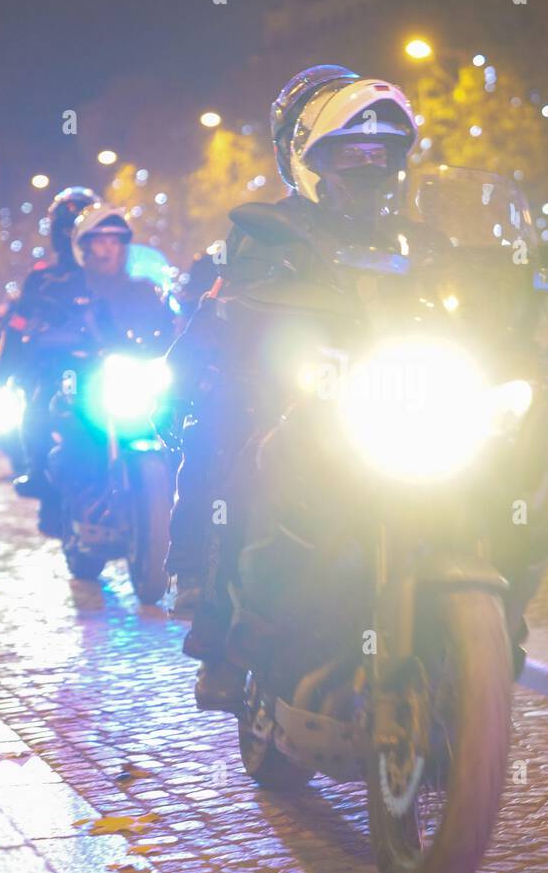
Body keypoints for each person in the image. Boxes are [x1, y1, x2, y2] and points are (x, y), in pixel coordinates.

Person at [160, 65, 446, 711]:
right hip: (301, 395)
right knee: (235, 452)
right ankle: (224, 637)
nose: (371, 168)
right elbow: (223, 312)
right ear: (306, 158)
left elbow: (475, 296)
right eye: (352, 155)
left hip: (406, 400)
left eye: (384, 154)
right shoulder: (266, 231)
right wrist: (201, 366)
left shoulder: (422, 240)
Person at [14, 203, 173, 532]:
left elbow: (172, 330)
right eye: (99, 241)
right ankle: (74, 498)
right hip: (86, 382)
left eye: (114, 241)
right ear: (82, 247)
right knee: (62, 418)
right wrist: (48, 340)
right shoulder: (63, 289)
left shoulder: (144, 291)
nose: (107, 249)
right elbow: (38, 328)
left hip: (137, 379)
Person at [0, 188, 97, 507]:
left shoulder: (118, 275)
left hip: (106, 365)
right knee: (38, 407)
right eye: (67, 229)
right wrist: (4, 371)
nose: (72, 237)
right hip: (57, 367)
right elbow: (18, 325)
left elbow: (150, 314)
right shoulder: (43, 279)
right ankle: (39, 469)